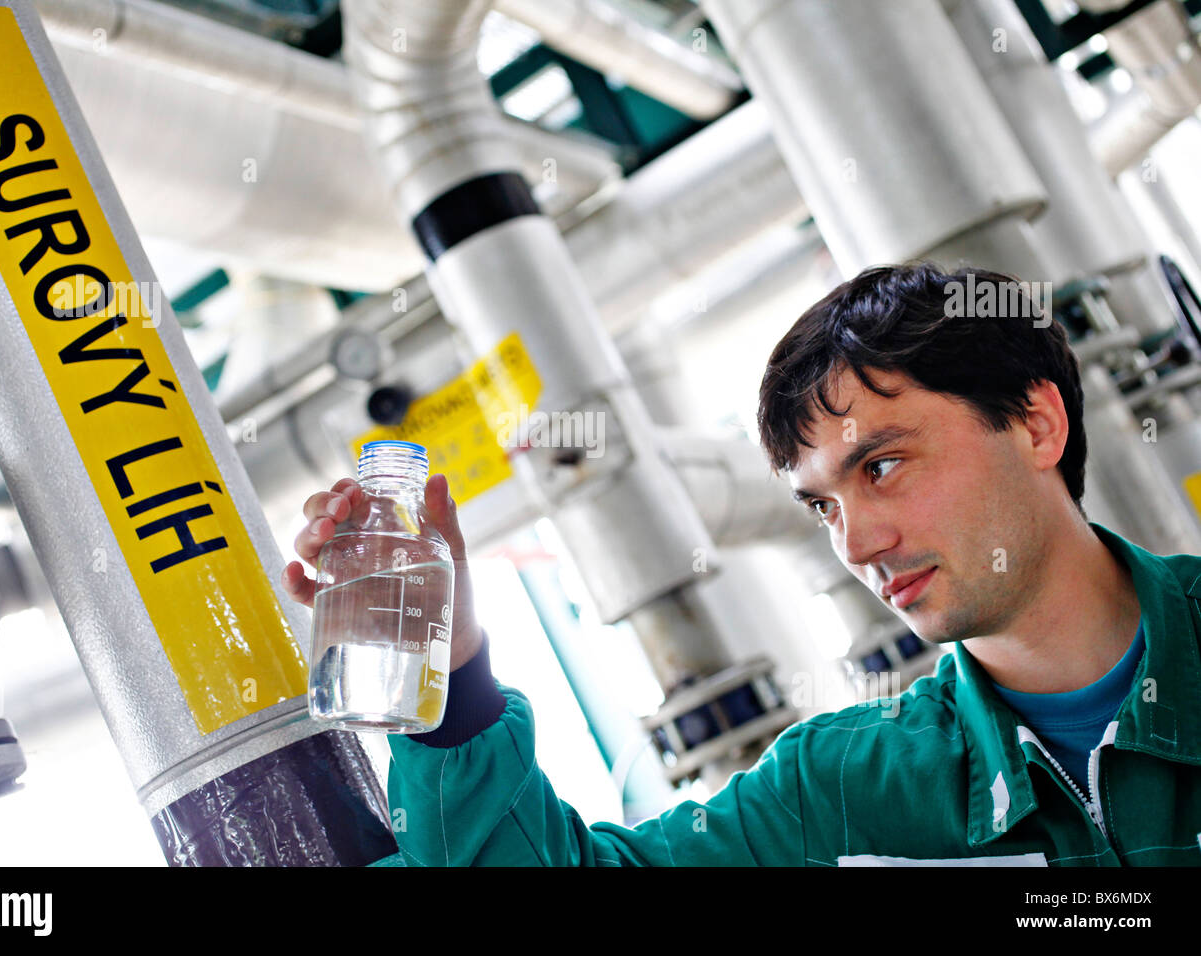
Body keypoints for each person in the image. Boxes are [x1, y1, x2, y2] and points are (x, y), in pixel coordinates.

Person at [282, 262, 1201, 866]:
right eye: (821, 505)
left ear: (1037, 423)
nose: (857, 541)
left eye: (882, 465)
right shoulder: (840, 789)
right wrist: (452, 671)